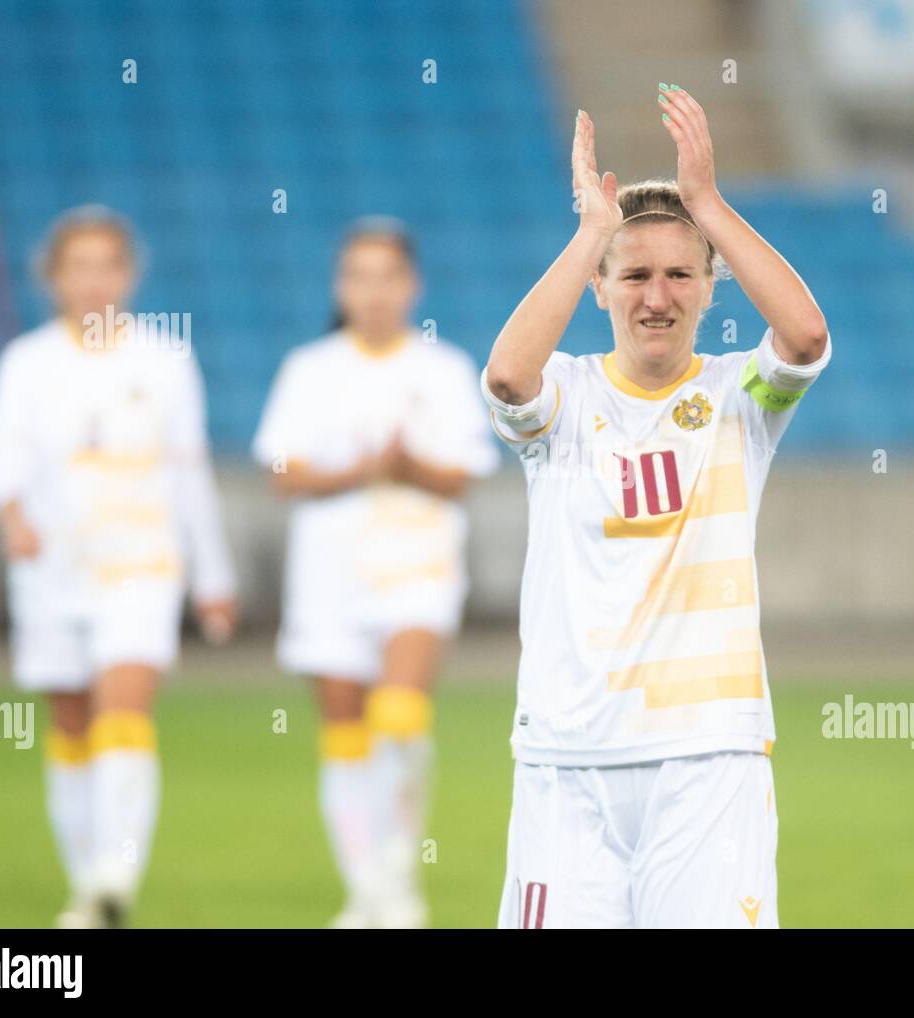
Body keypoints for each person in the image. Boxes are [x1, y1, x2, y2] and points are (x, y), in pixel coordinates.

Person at [482, 86, 831, 928]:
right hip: (566, 759)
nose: (657, 296)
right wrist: (591, 233)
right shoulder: (563, 394)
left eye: (681, 274)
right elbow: (505, 379)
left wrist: (708, 204)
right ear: (600, 289)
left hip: (708, 756)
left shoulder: (736, 397)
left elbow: (806, 337)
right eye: (634, 274)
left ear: (711, 291)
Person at [0, 205, 237, 927]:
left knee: (123, 713)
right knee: (71, 727)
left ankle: (114, 877)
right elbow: (5, 463)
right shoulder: (27, 363)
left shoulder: (164, 360)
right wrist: (15, 520)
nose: (94, 281)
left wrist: (212, 577)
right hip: (53, 573)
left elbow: (189, 473)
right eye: (79, 266)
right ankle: (87, 886)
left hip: (141, 566)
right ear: (54, 277)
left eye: (108, 265)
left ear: (129, 273)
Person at [252, 217, 498, 928]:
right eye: (358, 276)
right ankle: (368, 887)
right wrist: (360, 469)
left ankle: (396, 869)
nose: (374, 291)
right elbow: (280, 469)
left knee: (400, 716)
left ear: (410, 284)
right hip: (330, 577)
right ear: (341, 286)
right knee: (345, 734)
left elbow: (462, 474)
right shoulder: (310, 369)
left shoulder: (444, 369)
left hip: (417, 567)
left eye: (387, 276)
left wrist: (408, 465)